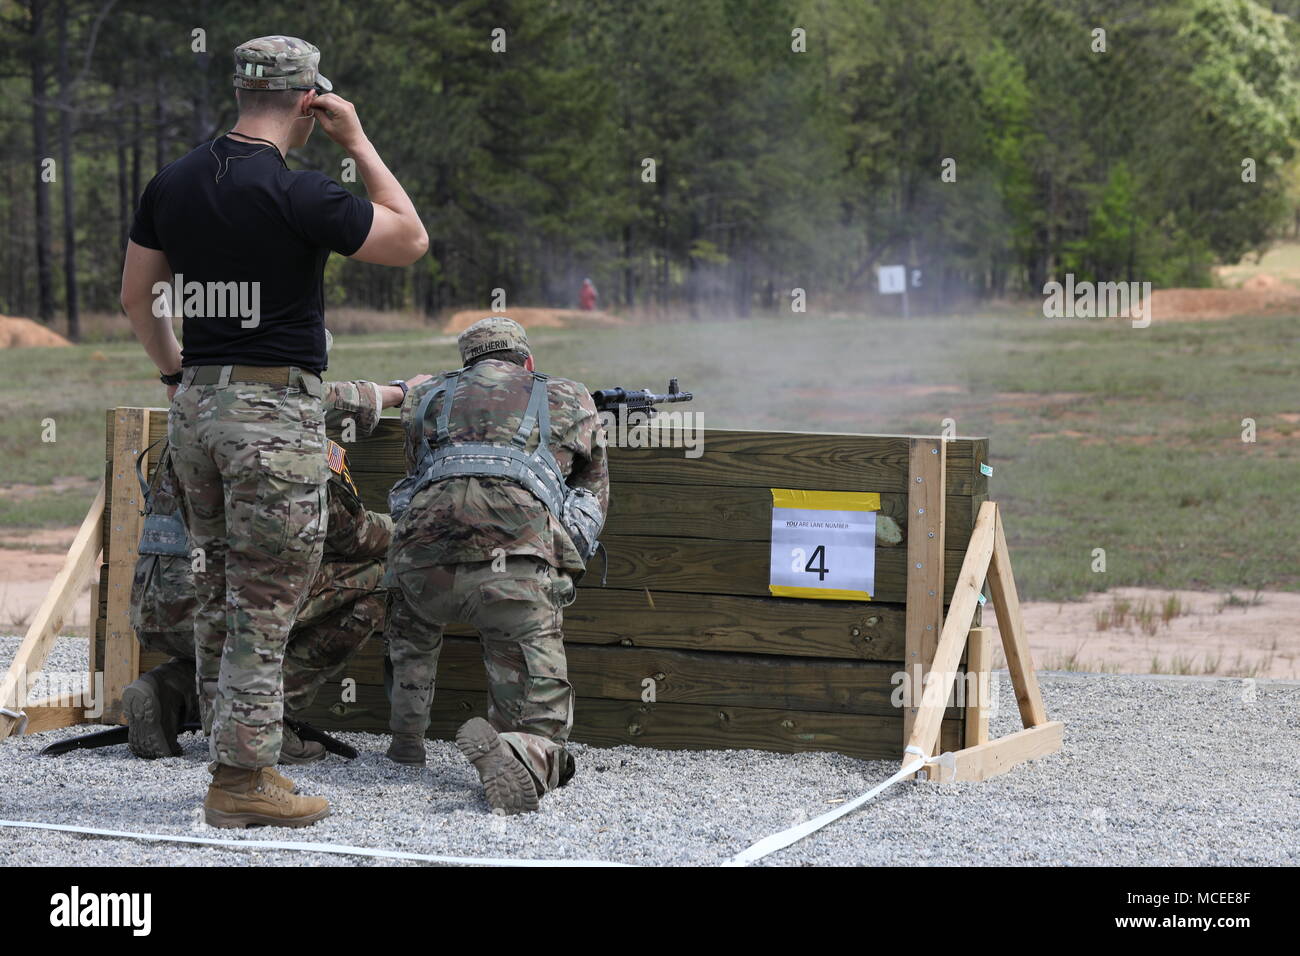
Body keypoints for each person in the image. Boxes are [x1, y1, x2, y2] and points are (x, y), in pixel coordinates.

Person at [119, 35, 427, 828]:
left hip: (197, 414)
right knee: (265, 605)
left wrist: (173, 372)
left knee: (221, 590)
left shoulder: (173, 182)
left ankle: (232, 755)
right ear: (307, 101)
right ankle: (242, 781)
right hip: (273, 419)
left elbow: (136, 297)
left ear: (239, 91)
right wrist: (356, 140)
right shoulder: (302, 193)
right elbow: (408, 238)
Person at [124, 379, 419, 765]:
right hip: (230, 610)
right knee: (381, 579)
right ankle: (263, 721)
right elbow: (355, 535)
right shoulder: (288, 433)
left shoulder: (194, 415)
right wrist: (416, 529)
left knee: (235, 623)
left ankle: (167, 693)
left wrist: (393, 391)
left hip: (157, 607)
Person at [385, 317, 609, 814]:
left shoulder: (426, 399)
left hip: (421, 562)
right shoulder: (569, 394)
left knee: (412, 640)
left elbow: (415, 475)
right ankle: (521, 751)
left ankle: (405, 746)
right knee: (538, 700)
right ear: (527, 363)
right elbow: (594, 489)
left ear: (466, 366)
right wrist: (565, 556)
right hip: (514, 569)